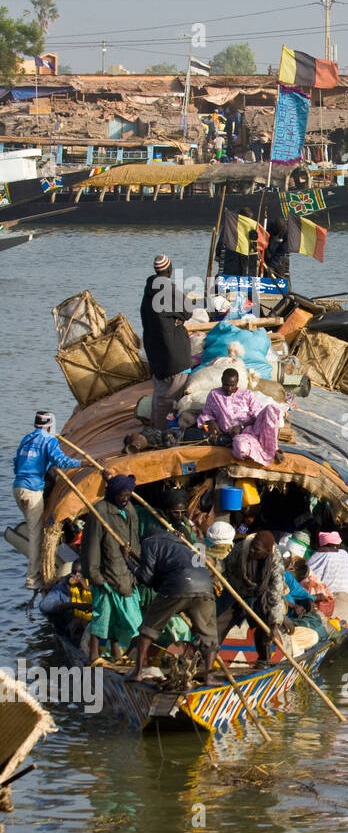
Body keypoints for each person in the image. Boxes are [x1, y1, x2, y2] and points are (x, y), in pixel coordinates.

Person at [128, 522, 219, 682]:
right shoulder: (182, 543)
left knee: (149, 628)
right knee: (209, 634)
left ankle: (138, 672)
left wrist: (128, 561)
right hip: (205, 586)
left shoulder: (149, 542)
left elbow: (147, 578)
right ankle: (209, 676)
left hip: (179, 585)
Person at [12, 410, 81, 588]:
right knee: (37, 535)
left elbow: (16, 463)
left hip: (17, 488)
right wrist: (82, 463)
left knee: (34, 526)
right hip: (32, 489)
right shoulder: (48, 440)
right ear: (50, 426)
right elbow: (61, 461)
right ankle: (33, 579)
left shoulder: (26, 439)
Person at [81, 474, 143, 660]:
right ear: (114, 493)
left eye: (128, 494)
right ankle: (93, 654)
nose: (125, 499)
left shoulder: (130, 509)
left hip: (126, 571)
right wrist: (94, 574)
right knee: (102, 617)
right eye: (122, 495)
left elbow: (135, 539)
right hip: (107, 572)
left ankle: (116, 652)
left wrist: (137, 564)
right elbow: (91, 546)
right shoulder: (100, 512)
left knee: (127, 619)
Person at [140, 255, 193, 432]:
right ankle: (162, 434)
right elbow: (187, 311)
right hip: (173, 356)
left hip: (156, 354)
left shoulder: (148, 293)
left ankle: (155, 429)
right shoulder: (167, 289)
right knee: (169, 399)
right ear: (169, 270)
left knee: (160, 394)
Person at [196, 368, 285, 467]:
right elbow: (206, 413)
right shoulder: (214, 394)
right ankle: (263, 450)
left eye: (232, 386)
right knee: (240, 447)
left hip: (254, 428)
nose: (229, 389)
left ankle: (274, 449)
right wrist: (211, 421)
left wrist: (241, 426)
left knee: (272, 409)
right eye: (226, 385)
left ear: (237, 382)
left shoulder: (247, 394)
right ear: (221, 381)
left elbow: (257, 415)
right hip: (241, 437)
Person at [222, 529, 287, 660]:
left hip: (259, 596)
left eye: (257, 550)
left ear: (267, 552)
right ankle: (205, 660)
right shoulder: (240, 550)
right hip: (235, 592)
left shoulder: (275, 561)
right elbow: (225, 568)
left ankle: (264, 661)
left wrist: (275, 624)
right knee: (219, 624)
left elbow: (276, 592)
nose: (252, 551)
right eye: (252, 547)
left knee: (265, 627)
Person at [38, 559, 93, 637]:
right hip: (73, 625)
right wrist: (71, 605)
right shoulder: (63, 587)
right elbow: (44, 606)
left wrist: (85, 587)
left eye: (79, 573)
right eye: (74, 572)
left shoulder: (93, 585)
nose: (75, 575)